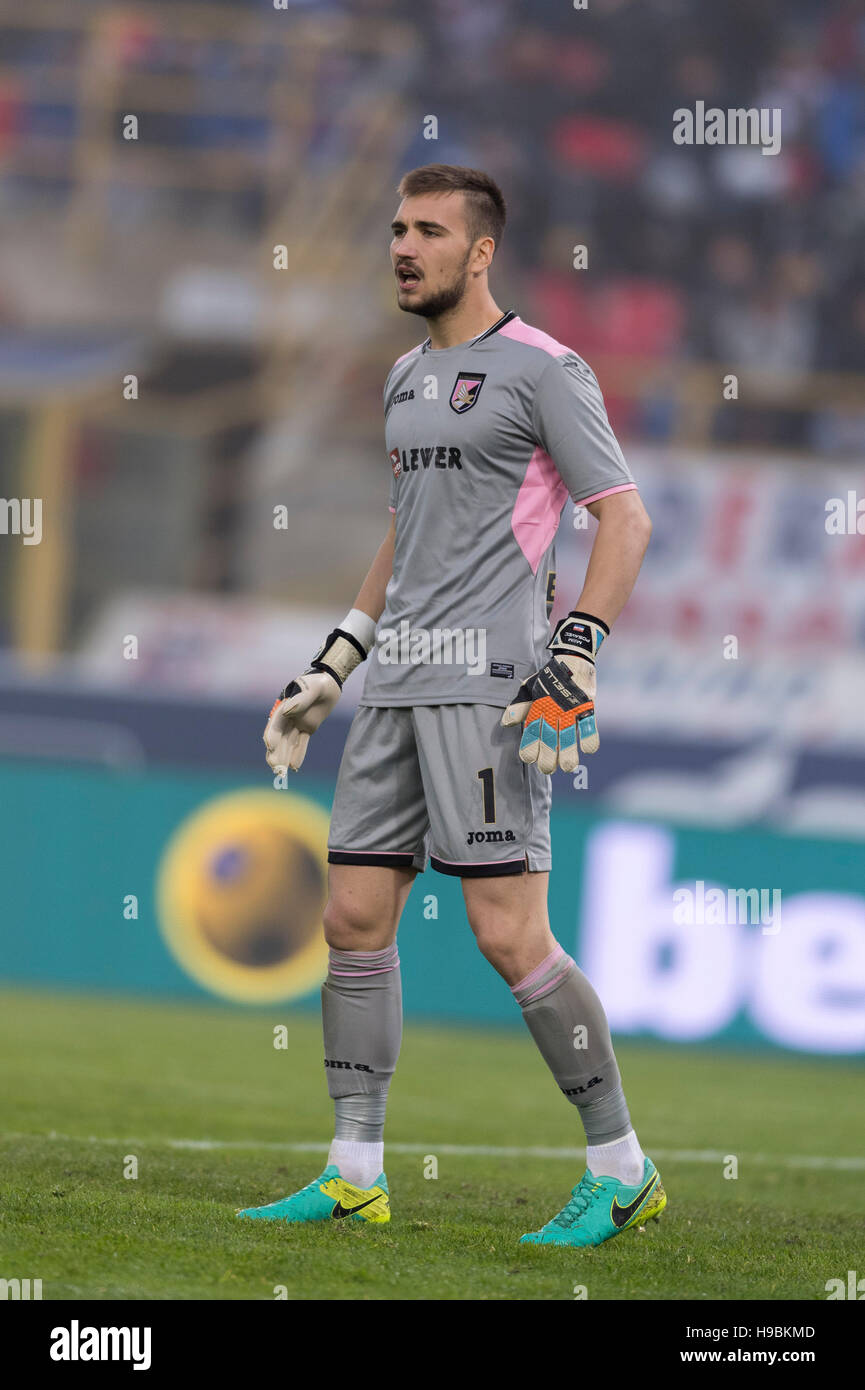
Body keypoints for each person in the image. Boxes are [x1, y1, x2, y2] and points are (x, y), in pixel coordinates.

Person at [238, 164, 663, 1247]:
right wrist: (335, 661)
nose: (401, 246)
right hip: (395, 686)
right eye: (394, 228)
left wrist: (574, 658)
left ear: (480, 252)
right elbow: (405, 532)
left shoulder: (545, 371)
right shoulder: (400, 377)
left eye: (427, 230)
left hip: (490, 690)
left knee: (507, 933)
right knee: (350, 918)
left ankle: (620, 1168)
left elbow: (623, 520)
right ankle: (354, 1170)